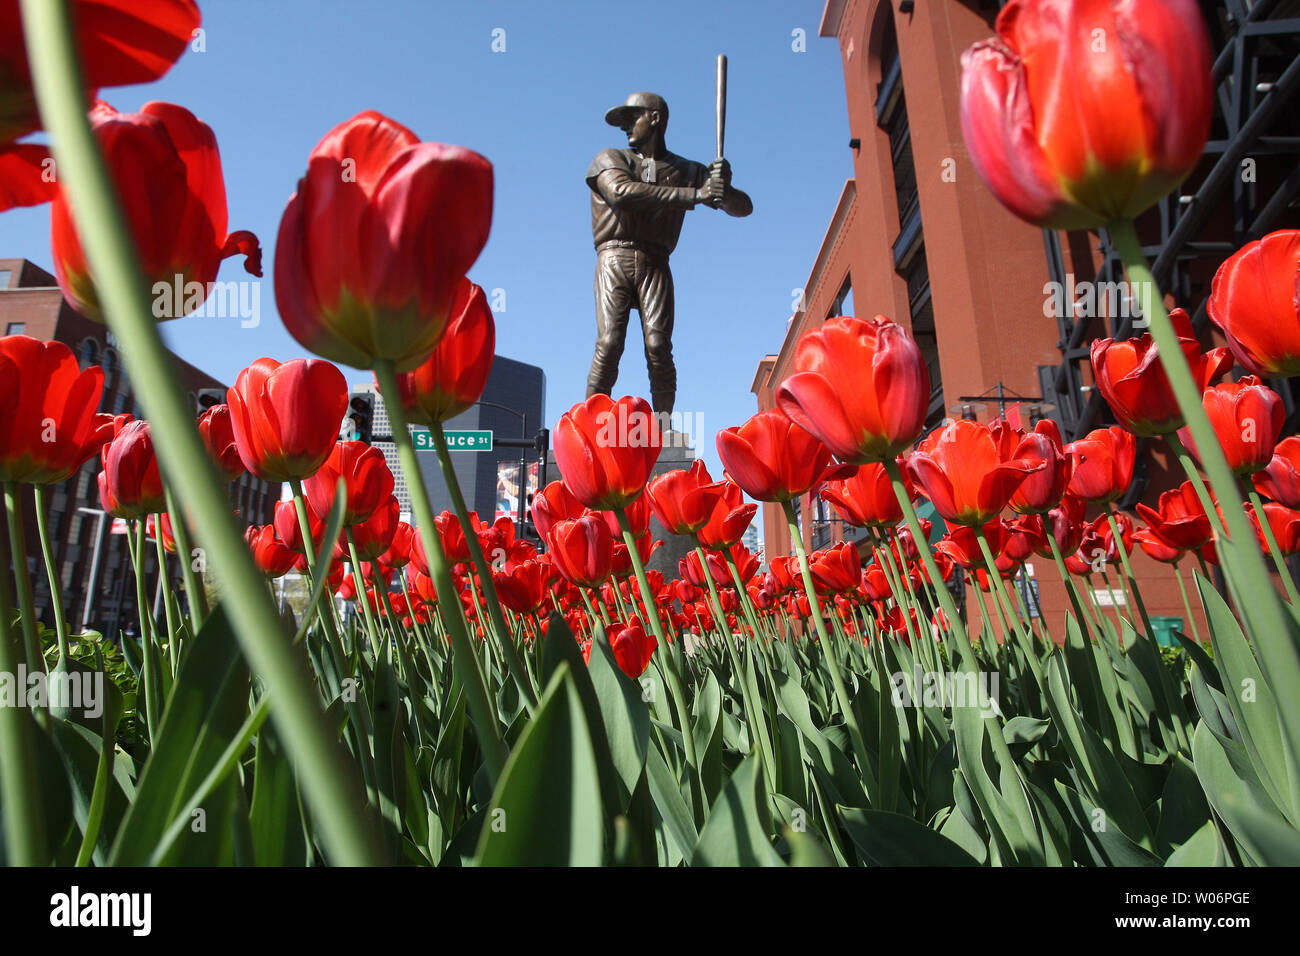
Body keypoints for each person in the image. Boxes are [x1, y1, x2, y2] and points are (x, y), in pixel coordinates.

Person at [585, 92, 752, 414]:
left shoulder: (686, 169)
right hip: (614, 256)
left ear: (655, 118)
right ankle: (590, 423)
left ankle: (662, 428)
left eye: (632, 119)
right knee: (609, 344)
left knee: (658, 347)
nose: (625, 128)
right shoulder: (611, 158)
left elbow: (743, 208)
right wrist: (697, 194)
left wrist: (723, 188)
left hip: (656, 261)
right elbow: (621, 193)